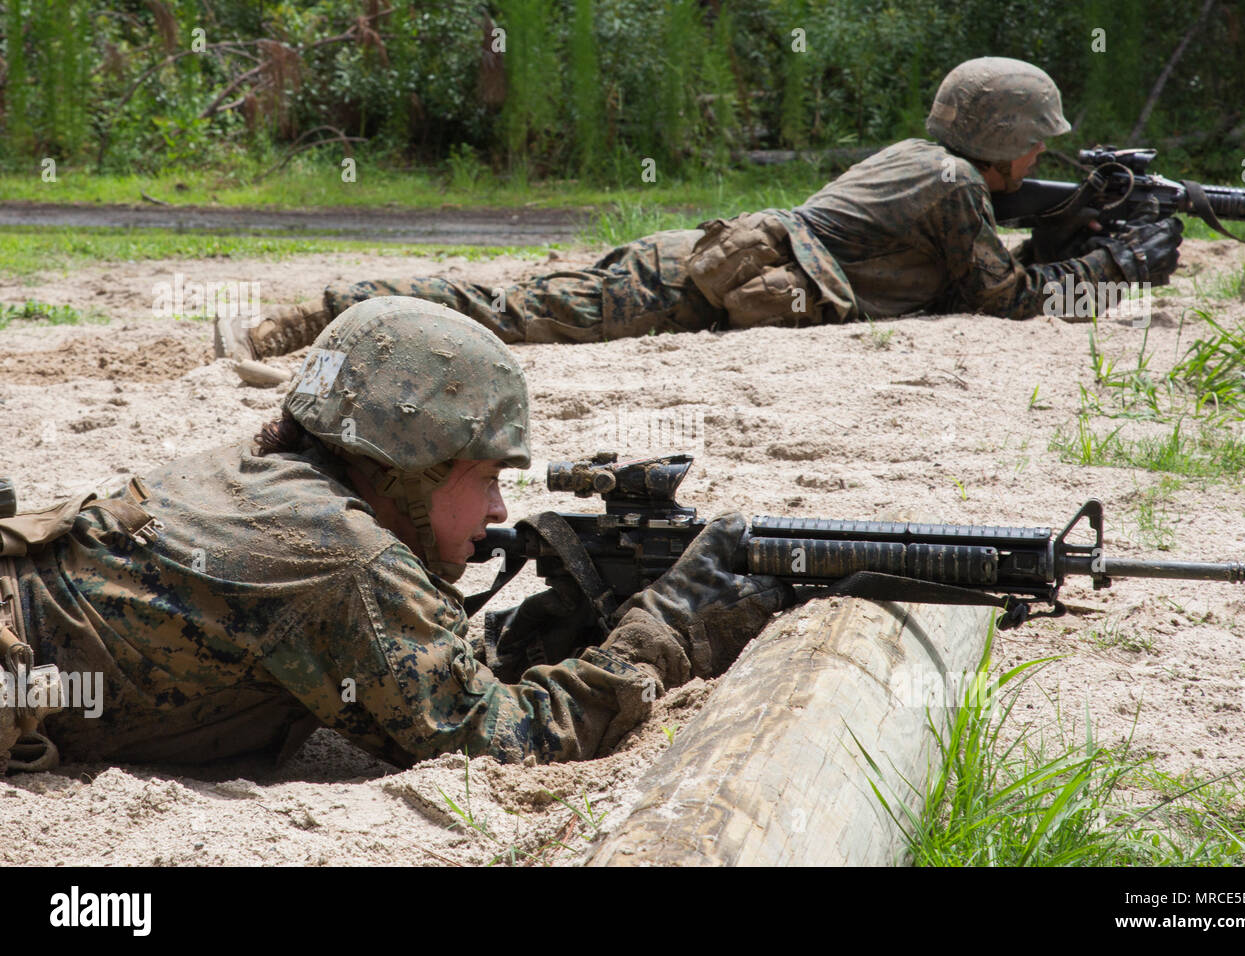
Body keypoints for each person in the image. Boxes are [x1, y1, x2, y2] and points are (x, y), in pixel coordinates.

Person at [0, 297, 789, 773]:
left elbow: (375, 660)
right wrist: (665, 631)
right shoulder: (344, 561)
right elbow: (504, 745)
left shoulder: (271, 464)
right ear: (404, 469)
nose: (498, 513)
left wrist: (516, 643)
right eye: (484, 478)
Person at [216, 56, 1183, 364]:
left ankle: (333, 307)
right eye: (1037, 140)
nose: (1042, 154)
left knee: (517, 302)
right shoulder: (955, 185)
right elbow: (1004, 301)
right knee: (513, 313)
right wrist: (1110, 268)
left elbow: (975, 269)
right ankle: (323, 312)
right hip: (683, 284)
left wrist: (1065, 236)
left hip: (697, 263)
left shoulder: (930, 165)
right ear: (1007, 138)